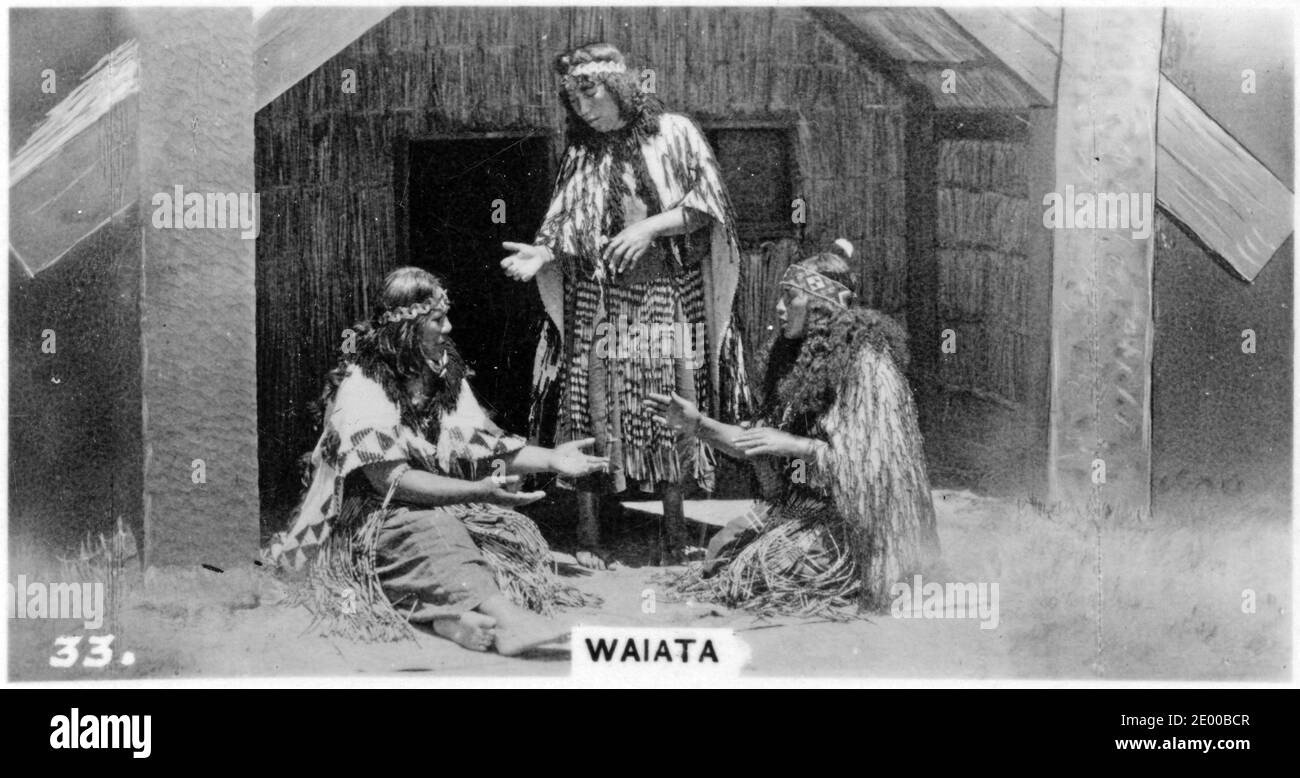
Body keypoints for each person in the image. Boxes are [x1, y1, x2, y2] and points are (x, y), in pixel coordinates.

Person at [267, 267, 609, 656]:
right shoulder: (364, 384)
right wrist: (478, 491)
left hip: (428, 505)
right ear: (406, 328)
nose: (448, 328)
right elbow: (391, 482)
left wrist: (553, 460)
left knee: (512, 540)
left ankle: (447, 618)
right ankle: (508, 622)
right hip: (365, 517)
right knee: (431, 528)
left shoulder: (444, 374)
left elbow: (484, 451)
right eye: (436, 320)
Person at [501, 42, 749, 568]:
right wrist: (542, 252)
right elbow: (568, 223)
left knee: (669, 400)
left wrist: (648, 227)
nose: (582, 106)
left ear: (618, 85)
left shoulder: (675, 132)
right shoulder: (583, 152)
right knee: (592, 401)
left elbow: (708, 205)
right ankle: (590, 532)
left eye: (588, 91)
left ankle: (676, 530)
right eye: (572, 96)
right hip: (597, 294)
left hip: (663, 289)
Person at [645, 241, 939, 614]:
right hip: (800, 506)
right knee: (718, 554)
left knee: (757, 572)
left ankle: (848, 578)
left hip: (854, 522)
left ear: (820, 305)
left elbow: (872, 473)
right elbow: (759, 442)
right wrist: (698, 425)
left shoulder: (867, 367)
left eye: (790, 298)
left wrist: (795, 446)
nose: (779, 308)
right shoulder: (792, 359)